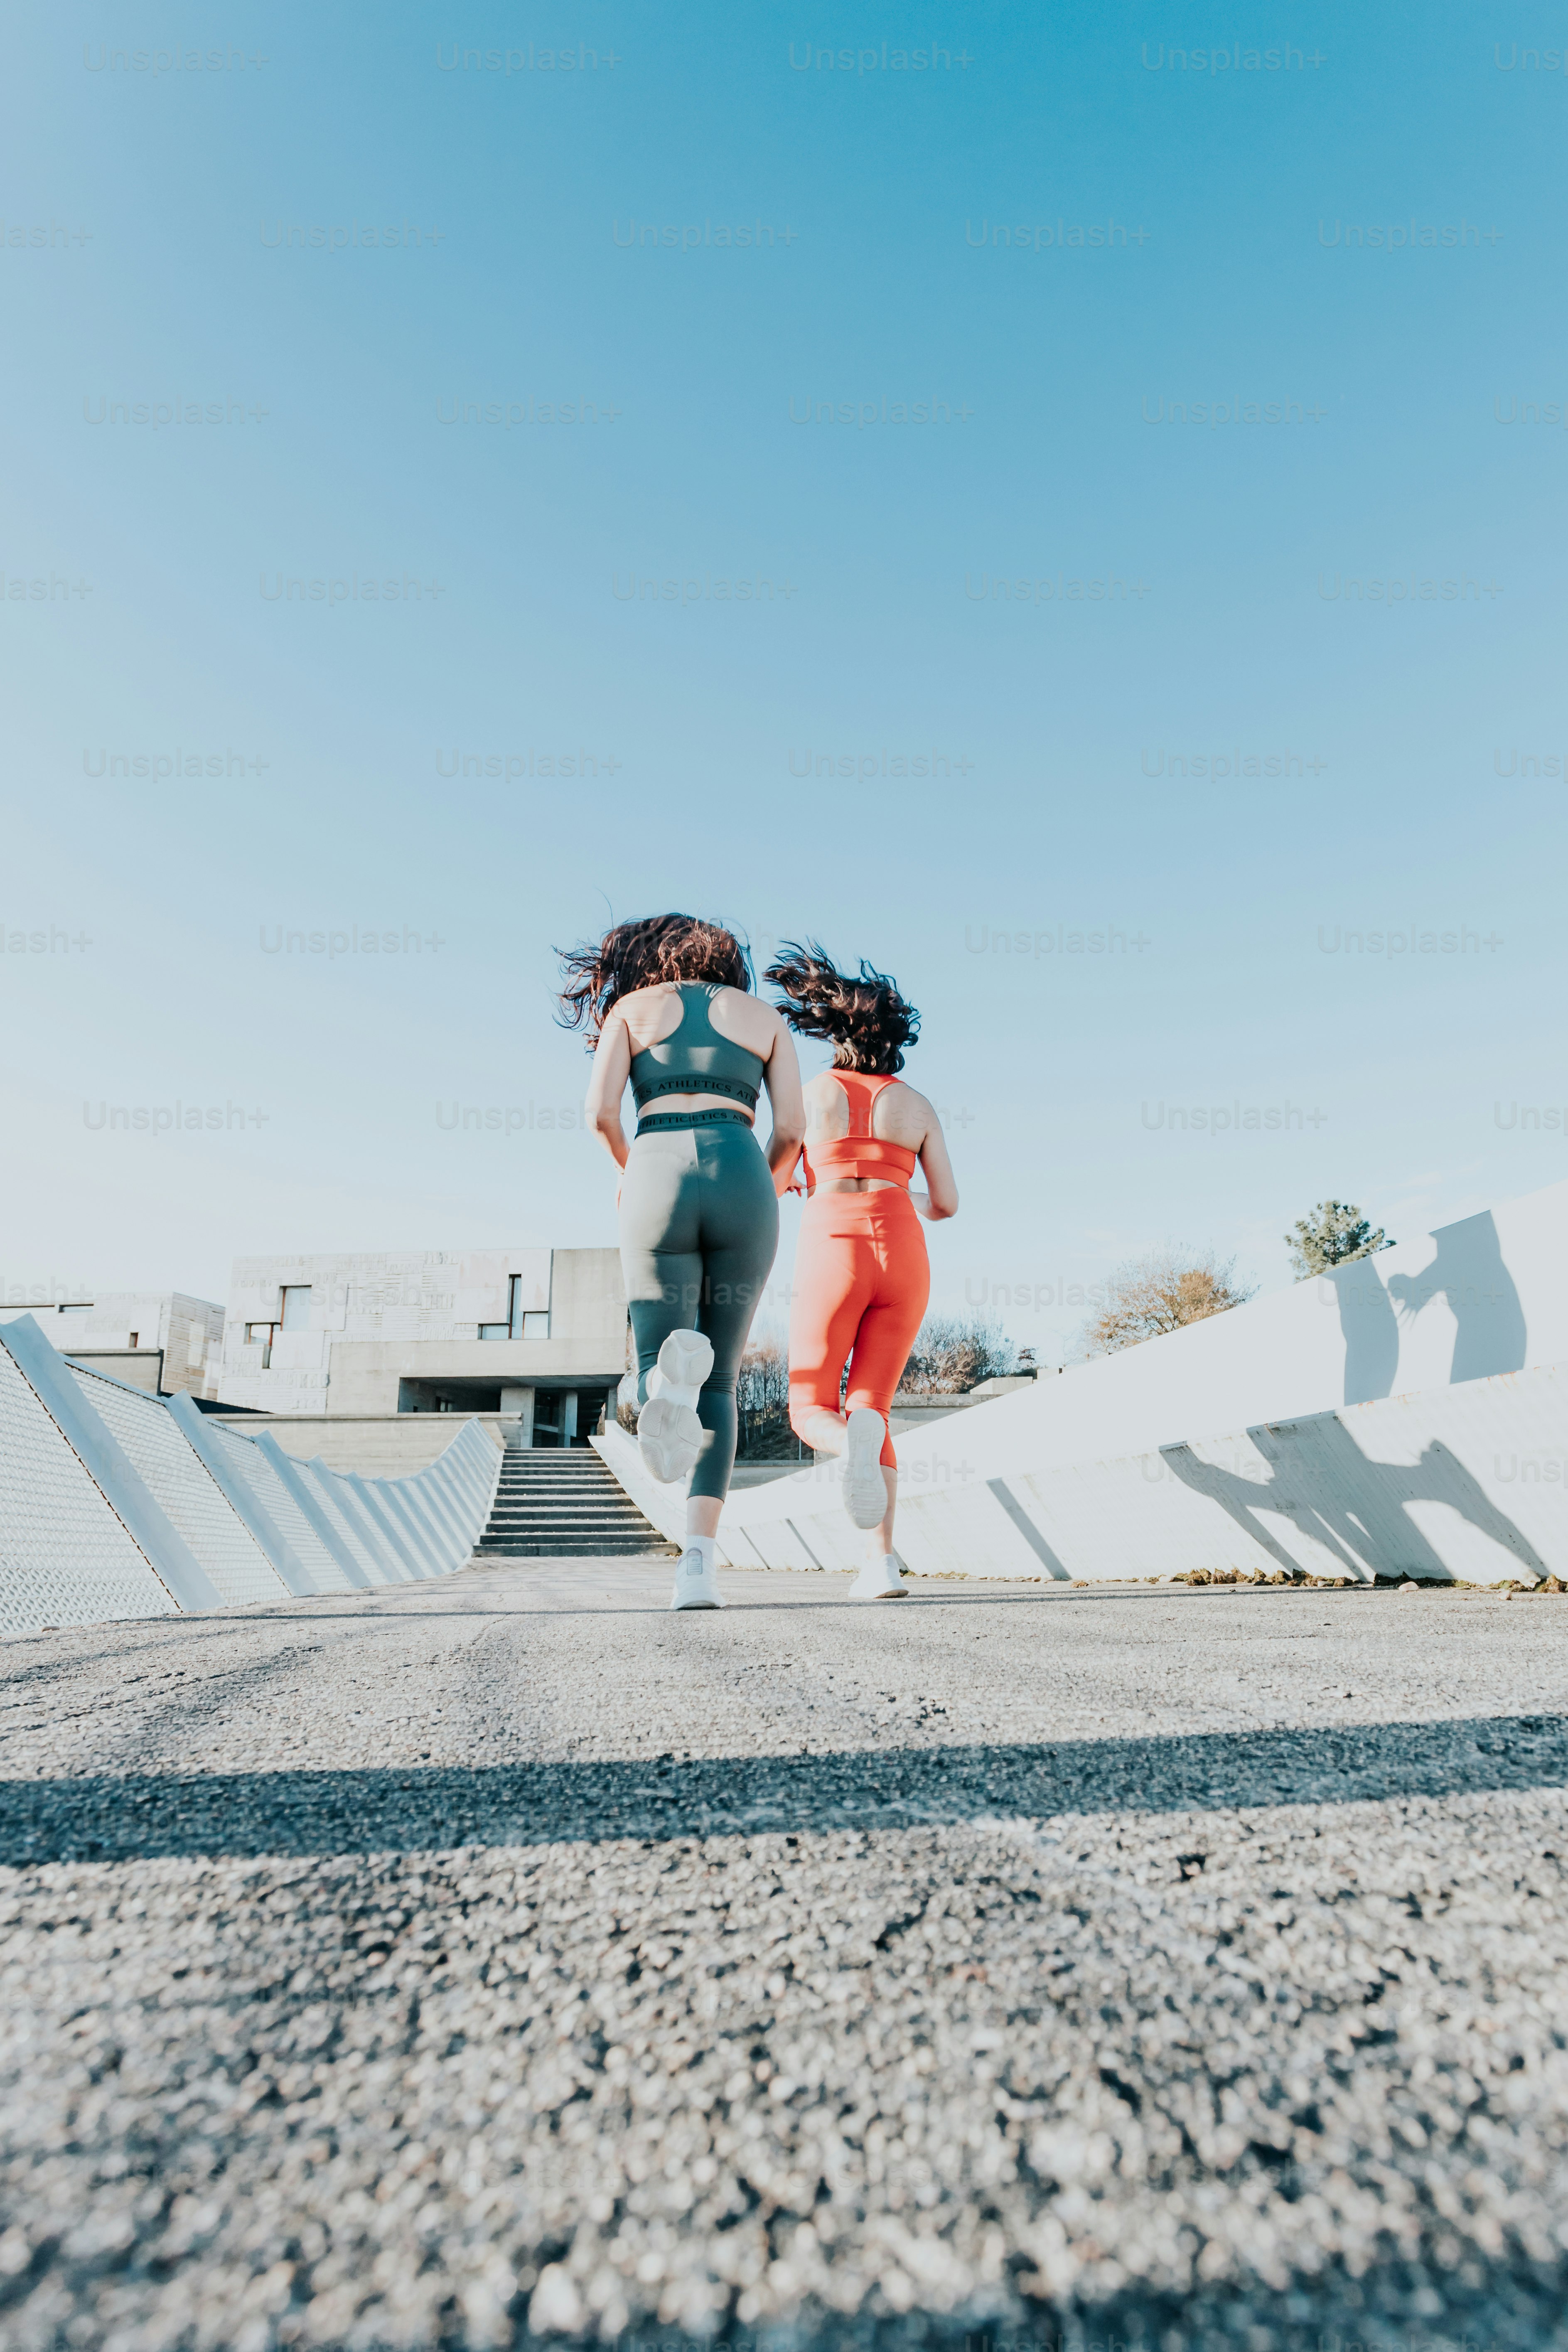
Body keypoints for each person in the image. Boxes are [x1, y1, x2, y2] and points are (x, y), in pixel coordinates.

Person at [560, 914, 804, 1611]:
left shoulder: (631, 1011)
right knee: (720, 1381)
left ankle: (661, 1385)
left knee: (656, 1355)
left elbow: (599, 1114)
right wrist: (763, 1186)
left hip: (656, 1169)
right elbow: (792, 1128)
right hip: (741, 1171)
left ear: (646, 958)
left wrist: (629, 1168)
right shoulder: (763, 1017)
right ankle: (697, 1568)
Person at [765, 942, 958, 1598]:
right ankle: (880, 1566)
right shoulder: (918, 1105)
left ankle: (851, 1446)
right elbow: (947, 1203)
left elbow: (773, 1179)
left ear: (835, 1029)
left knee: (810, 1408)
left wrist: (802, 1179)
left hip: (833, 1247)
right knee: (870, 1405)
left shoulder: (811, 1095)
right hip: (903, 1251)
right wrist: (899, 1192)